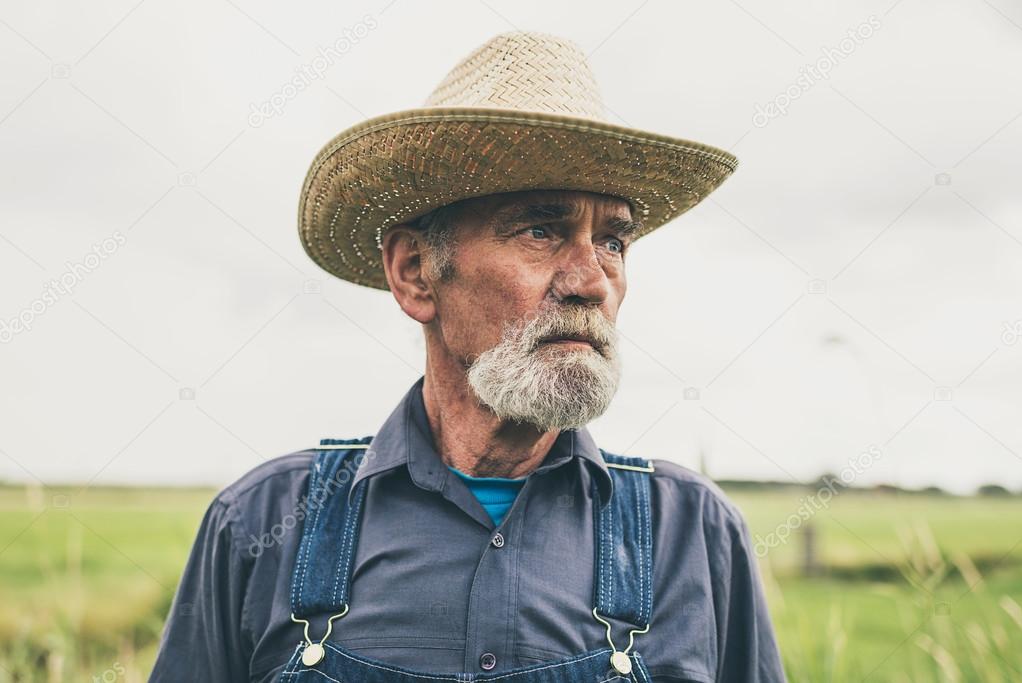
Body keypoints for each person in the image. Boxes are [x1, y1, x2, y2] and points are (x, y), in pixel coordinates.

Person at [150, 30, 785, 683]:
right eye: (541, 229)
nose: (591, 279)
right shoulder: (261, 523)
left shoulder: (693, 531)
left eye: (612, 240)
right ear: (414, 272)